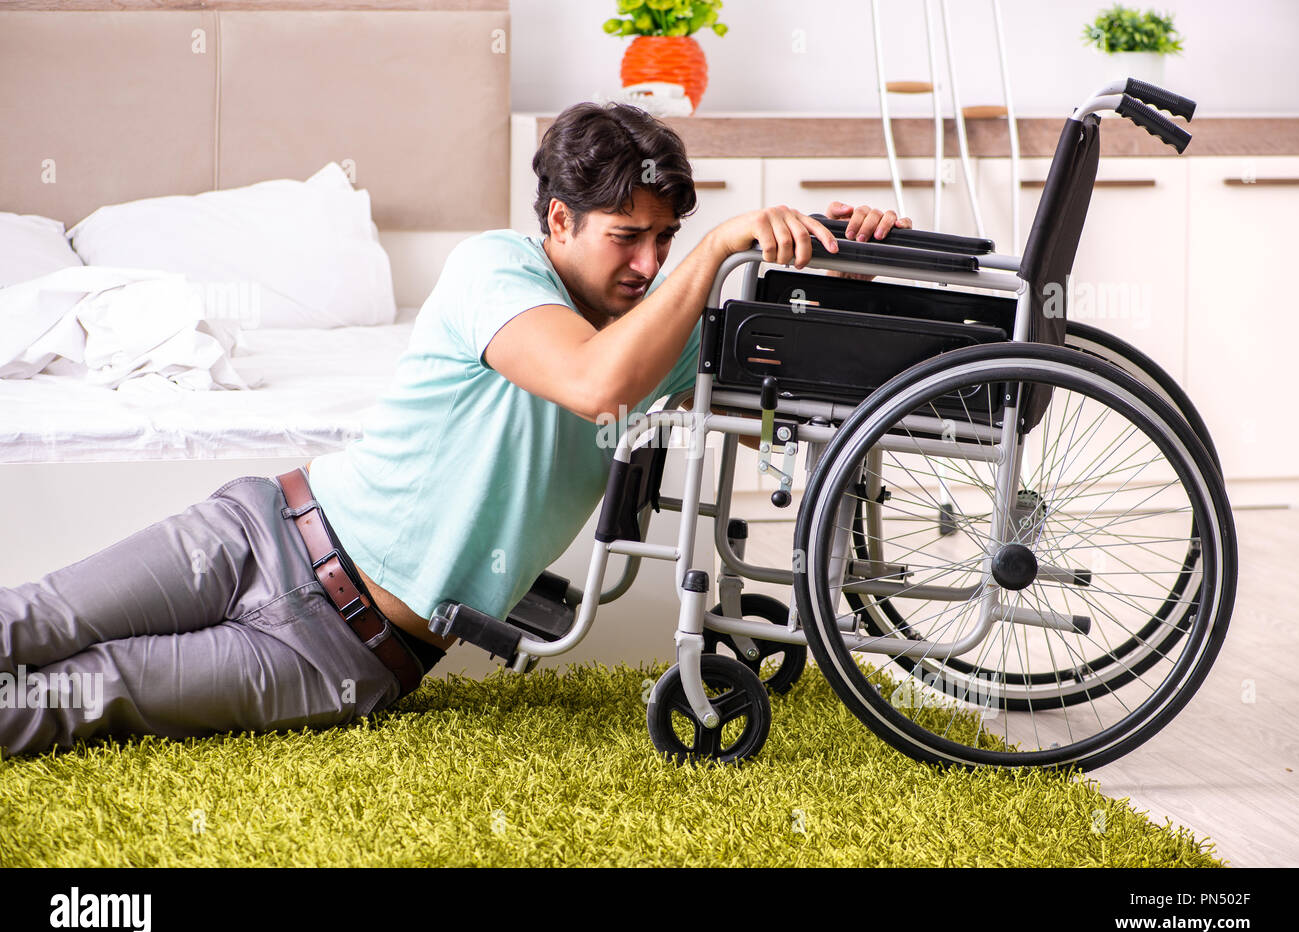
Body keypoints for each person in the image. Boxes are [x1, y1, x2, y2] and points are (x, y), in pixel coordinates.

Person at [0, 101, 910, 757]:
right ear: (558, 220)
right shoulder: (497, 267)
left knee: (82, 695)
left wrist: (855, 268)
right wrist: (716, 252)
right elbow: (595, 383)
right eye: (626, 237)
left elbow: (793, 407)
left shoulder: (661, 343)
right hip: (263, 531)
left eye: (669, 238)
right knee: (37, 615)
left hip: (337, 653)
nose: (650, 263)